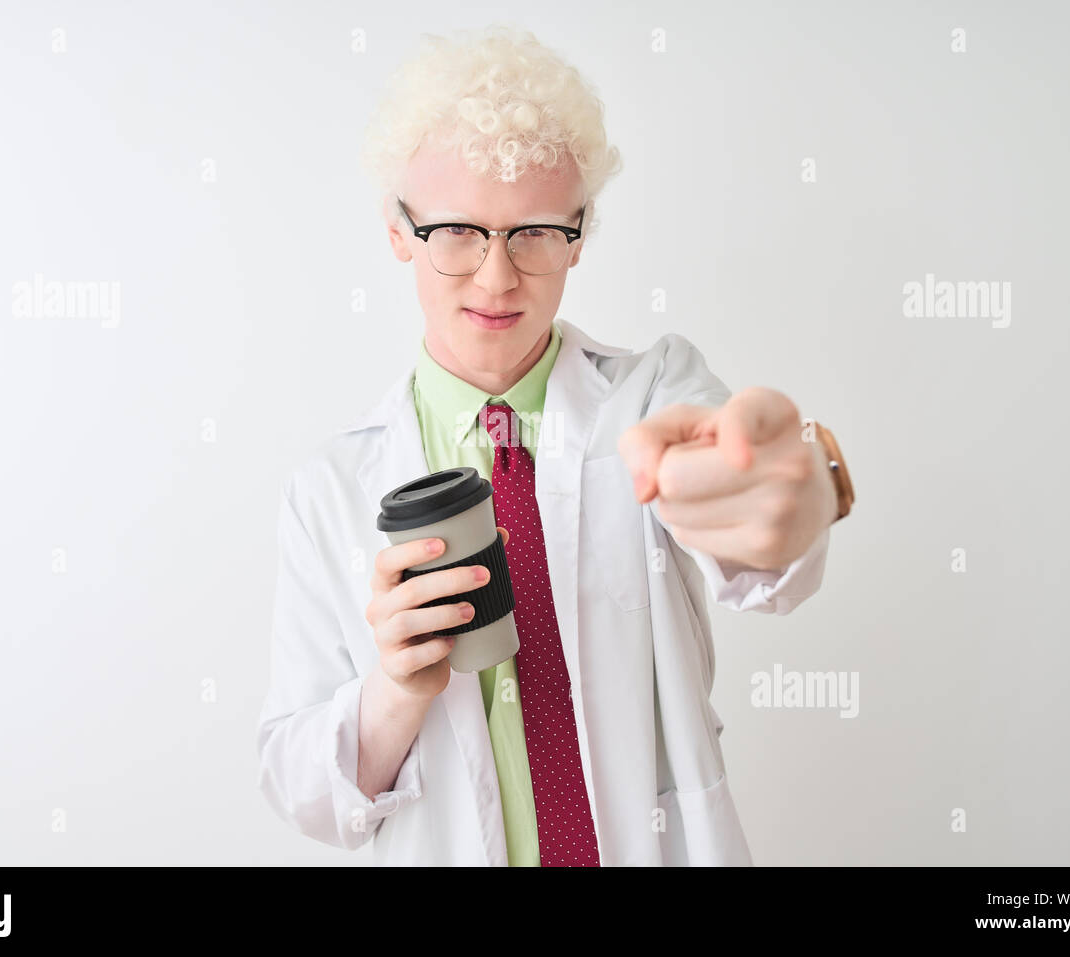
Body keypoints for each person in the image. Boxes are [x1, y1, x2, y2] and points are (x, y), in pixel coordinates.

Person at [256, 24, 855, 866]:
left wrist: (789, 497)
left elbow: (756, 526)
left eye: (536, 231)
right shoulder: (330, 489)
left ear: (580, 230)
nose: (498, 277)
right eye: (458, 231)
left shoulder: (653, 393)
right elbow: (301, 789)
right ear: (399, 230)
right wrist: (393, 690)